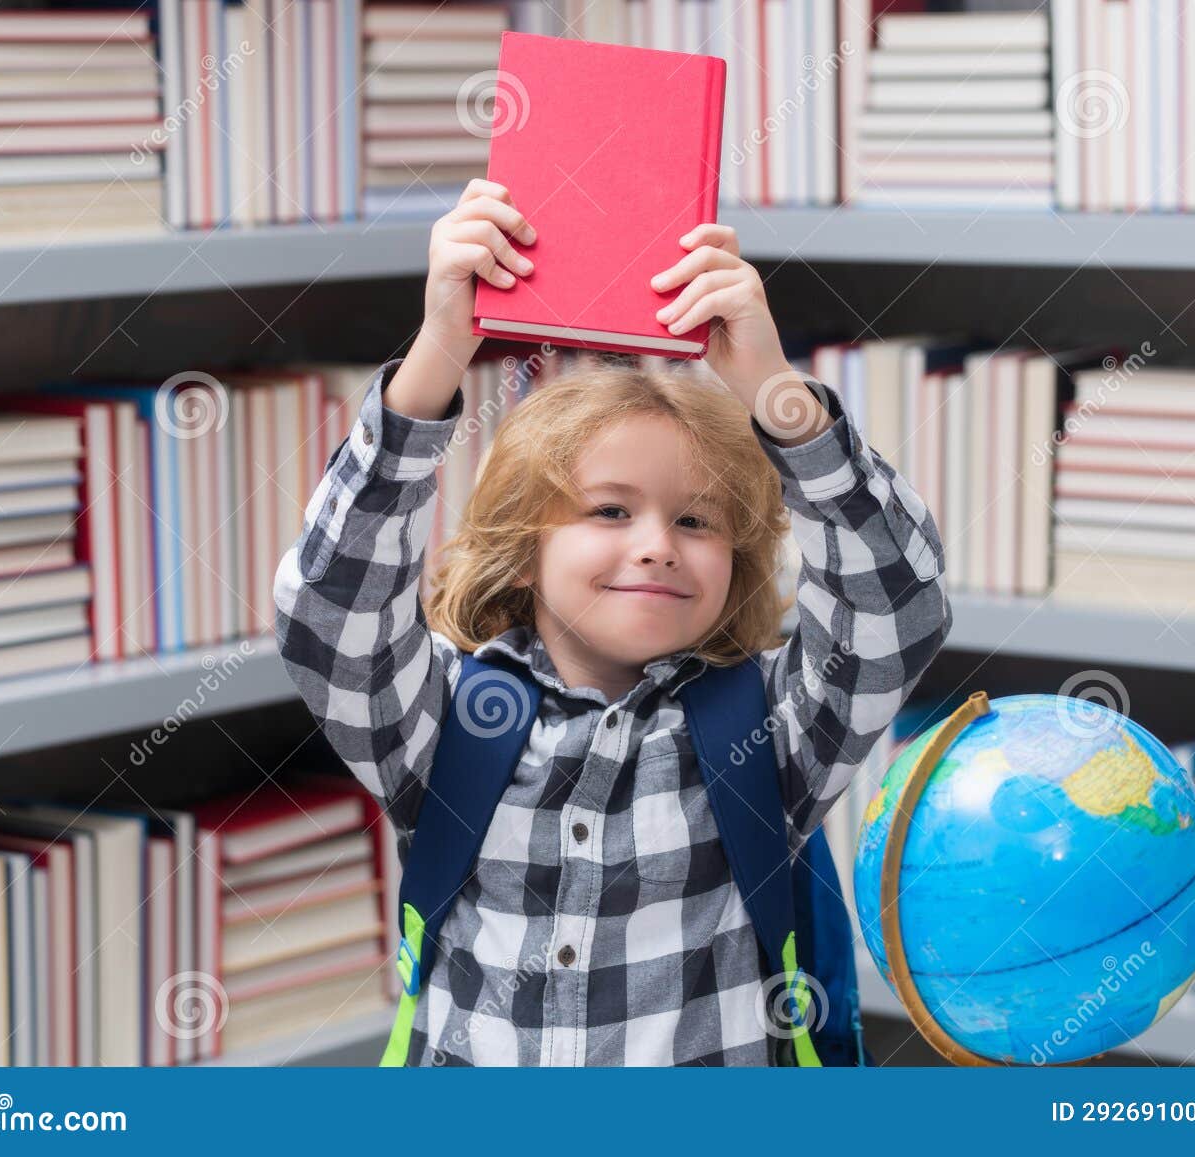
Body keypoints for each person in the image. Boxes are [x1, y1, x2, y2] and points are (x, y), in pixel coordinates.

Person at [274, 178, 953, 1065]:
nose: (657, 546)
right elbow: (331, 610)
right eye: (607, 511)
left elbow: (895, 605)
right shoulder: (441, 725)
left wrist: (775, 393)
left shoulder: (772, 736)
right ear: (523, 549)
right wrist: (437, 354)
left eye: (697, 519)